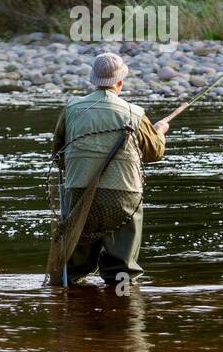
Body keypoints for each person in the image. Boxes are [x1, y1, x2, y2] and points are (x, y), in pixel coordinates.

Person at [52, 51, 170, 286]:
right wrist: (159, 133)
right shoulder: (134, 112)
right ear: (120, 82)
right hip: (124, 196)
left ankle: (71, 308)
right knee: (122, 271)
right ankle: (123, 311)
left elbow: (58, 153)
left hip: (79, 192)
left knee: (73, 269)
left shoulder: (72, 108)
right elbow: (154, 153)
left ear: (93, 80)